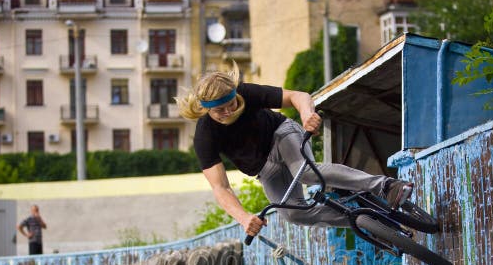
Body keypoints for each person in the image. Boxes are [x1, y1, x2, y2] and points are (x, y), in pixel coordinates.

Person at [176, 62, 413, 239]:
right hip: (265, 169)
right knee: (293, 214)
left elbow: (297, 96)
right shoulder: (205, 135)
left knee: (306, 172)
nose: (229, 112)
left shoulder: (246, 93)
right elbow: (221, 187)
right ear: (207, 109)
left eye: (232, 105)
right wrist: (244, 217)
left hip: (281, 136)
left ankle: (386, 186)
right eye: (220, 111)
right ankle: (364, 220)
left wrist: (307, 114)